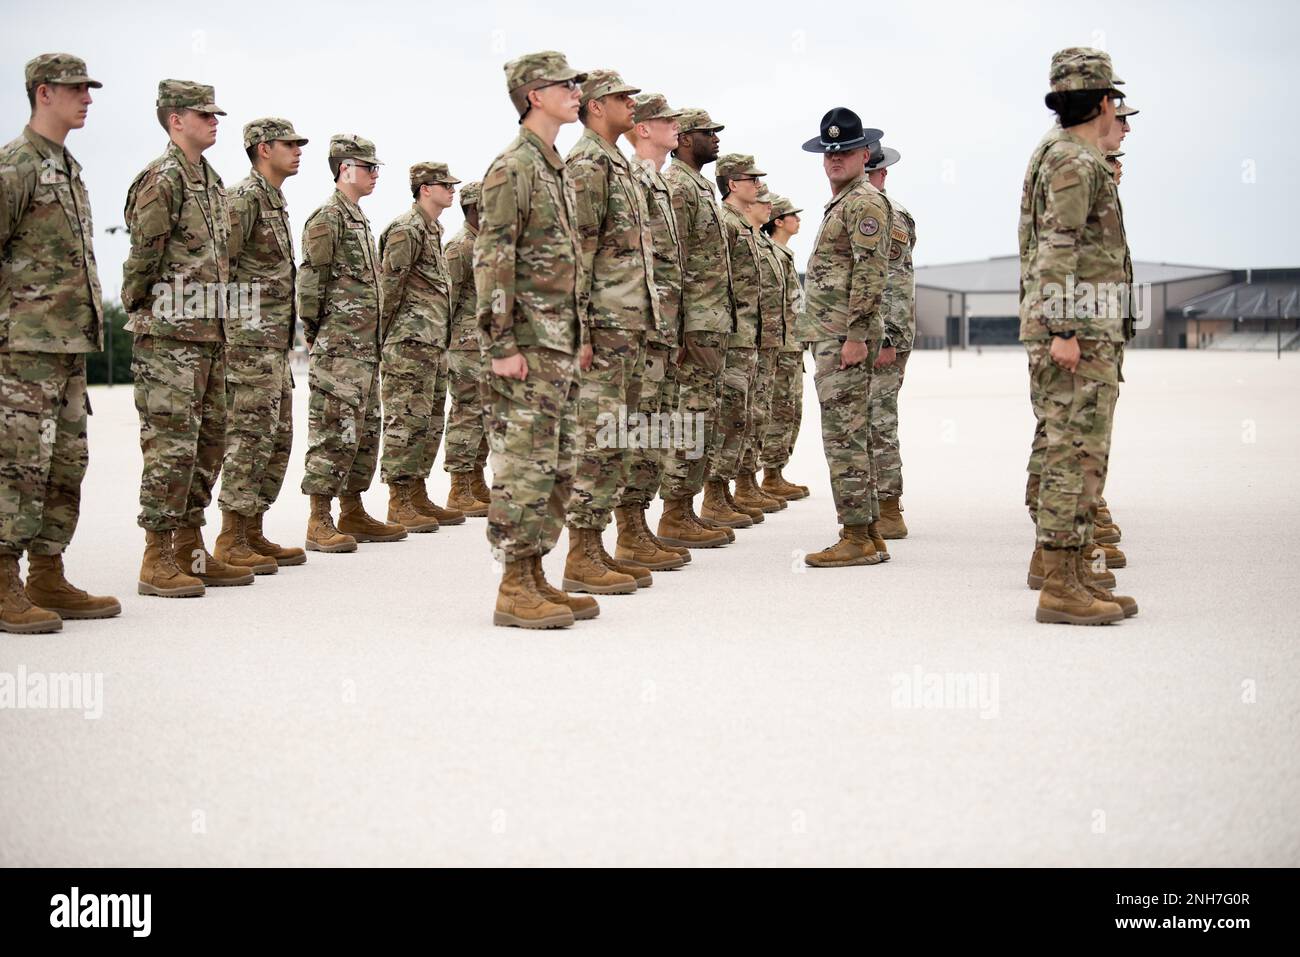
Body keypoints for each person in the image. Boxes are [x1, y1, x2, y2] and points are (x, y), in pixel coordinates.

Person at [475, 50, 598, 628]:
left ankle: (534, 572)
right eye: (564, 84)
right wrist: (500, 345)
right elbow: (493, 258)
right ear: (533, 95)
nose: (576, 91)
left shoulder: (555, 167)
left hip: (558, 346)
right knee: (524, 465)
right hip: (524, 347)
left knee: (557, 463)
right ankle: (511, 585)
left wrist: (579, 337)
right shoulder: (512, 168)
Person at [0, 53, 119, 632]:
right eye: (76, 89)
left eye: (89, 89)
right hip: (23, 351)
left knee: (65, 466)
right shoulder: (15, 167)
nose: (87, 98)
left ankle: (47, 573)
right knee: (16, 468)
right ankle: (2, 582)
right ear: (43, 93)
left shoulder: (68, 169)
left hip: (69, 351)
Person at [1018, 47, 1136, 624]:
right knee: (1074, 454)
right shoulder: (1074, 161)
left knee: (1078, 450)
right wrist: (1064, 328)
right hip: (1078, 333)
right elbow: (1058, 247)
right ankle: (1061, 582)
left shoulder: (1069, 154)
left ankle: (1073, 570)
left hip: (1086, 327)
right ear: (1106, 101)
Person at [124, 79, 251, 595]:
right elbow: (141, 263)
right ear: (175, 119)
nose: (214, 120)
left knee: (208, 444)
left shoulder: (212, 182)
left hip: (211, 335)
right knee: (171, 448)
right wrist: (151, 316)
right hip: (170, 341)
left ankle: (191, 552)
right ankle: (156, 558)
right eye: (204, 114)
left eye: (216, 113)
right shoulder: (162, 180)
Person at [563, 69, 675, 593]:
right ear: (593, 106)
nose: (631, 102)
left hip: (628, 327)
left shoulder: (617, 165)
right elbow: (578, 251)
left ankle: (601, 545)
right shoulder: (587, 163)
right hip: (603, 330)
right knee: (598, 440)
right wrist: (581, 329)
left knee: (621, 440)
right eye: (620, 96)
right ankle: (580, 553)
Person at [297, 135, 408, 553]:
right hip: (340, 349)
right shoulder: (328, 218)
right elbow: (311, 284)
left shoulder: (358, 218)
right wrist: (316, 333)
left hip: (365, 349)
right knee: (333, 432)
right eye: (368, 167)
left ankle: (353, 509)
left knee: (365, 432)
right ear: (345, 170)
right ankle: (319, 518)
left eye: (376, 167)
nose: (375, 174)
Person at [797, 107, 893, 567]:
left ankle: (854, 537)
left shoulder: (863, 203)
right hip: (835, 336)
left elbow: (871, 275)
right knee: (853, 433)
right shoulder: (847, 201)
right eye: (828, 152)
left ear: (865, 154)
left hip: (843, 339)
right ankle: (869, 531)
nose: (835, 159)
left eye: (846, 151)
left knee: (844, 438)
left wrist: (856, 336)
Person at [217, 117, 309, 573]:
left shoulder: (274, 201)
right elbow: (220, 268)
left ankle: (252, 527)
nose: (298, 151)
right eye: (289, 144)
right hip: (248, 345)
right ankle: (230, 536)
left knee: (277, 439)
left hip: (273, 346)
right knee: (249, 436)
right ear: (262, 148)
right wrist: (236, 333)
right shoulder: (244, 198)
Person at [618, 93, 704, 562]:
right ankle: (628, 530)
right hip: (641, 328)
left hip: (665, 328)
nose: (676, 126)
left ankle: (642, 525)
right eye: (665, 120)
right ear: (644, 129)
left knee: (658, 428)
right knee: (637, 428)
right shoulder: (634, 178)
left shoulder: (659, 185)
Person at [655, 109, 736, 548]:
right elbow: (673, 259)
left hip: (711, 323)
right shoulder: (679, 187)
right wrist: (679, 329)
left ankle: (685, 506)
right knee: (687, 417)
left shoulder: (701, 185)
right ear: (685, 139)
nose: (716, 139)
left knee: (704, 418)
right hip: (693, 328)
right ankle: (673, 512)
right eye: (708, 133)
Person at [377, 162, 466, 533]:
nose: (452, 190)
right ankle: (399, 500)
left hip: (432, 342)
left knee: (429, 422)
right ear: (424, 189)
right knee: (405, 420)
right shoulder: (406, 230)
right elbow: (389, 287)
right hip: (408, 343)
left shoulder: (433, 230)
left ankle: (416, 491)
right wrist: (385, 336)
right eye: (445, 184)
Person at [707, 153, 770, 526]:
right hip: (731, 336)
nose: (759, 185)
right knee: (726, 416)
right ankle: (713, 496)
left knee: (740, 417)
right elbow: (716, 279)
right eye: (752, 179)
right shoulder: (726, 222)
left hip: (747, 336)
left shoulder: (743, 225)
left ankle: (725, 491)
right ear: (733, 184)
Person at [864, 142, 916, 539]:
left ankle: (888, 506)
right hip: (869, 334)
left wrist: (888, 337)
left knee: (878, 420)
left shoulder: (886, 213)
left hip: (882, 336)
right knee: (865, 419)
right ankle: (871, 503)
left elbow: (893, 281)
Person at [442, 180, 492, 517]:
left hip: (486, 346)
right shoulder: (460, 247)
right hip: (465, 346)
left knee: (485, 415)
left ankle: (476, 478)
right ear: (475, 208)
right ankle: (459, 486)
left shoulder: (487, 245)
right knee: (467, 413)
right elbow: (449, 299)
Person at [738, 186, 788, 513]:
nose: (770, 206)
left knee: (759, 414)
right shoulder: (743, 237)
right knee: (739, 416)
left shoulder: (765, 245)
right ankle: (736, 486)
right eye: (764, 201)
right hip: (744, 339)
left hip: (765, 340)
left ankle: (749, 481)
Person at [759, 195, 809, 501]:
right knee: (777, 409)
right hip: (780, 345)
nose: (798, 220)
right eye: (794, 215)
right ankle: (769, 475)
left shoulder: (785, 254)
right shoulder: (772, 254)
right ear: (779, 221)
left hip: (792, 345)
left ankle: (776, 472)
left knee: (791, 410)